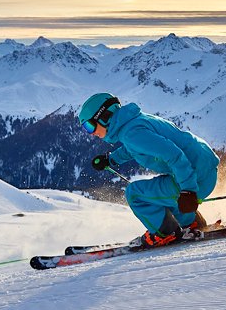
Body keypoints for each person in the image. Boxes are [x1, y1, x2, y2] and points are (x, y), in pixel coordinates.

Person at [79, 93, 218, 248]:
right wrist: (111, 159)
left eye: (89, 126)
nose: (91, 133)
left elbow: (175, 155)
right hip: (202, 170)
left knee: (134, 193)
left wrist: (188, 191)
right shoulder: (133, 124)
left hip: (197, 179)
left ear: (104, 116)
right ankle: (189, 223)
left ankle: (166, 232)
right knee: (159, 194)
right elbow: (137, 147)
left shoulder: (132, 134)